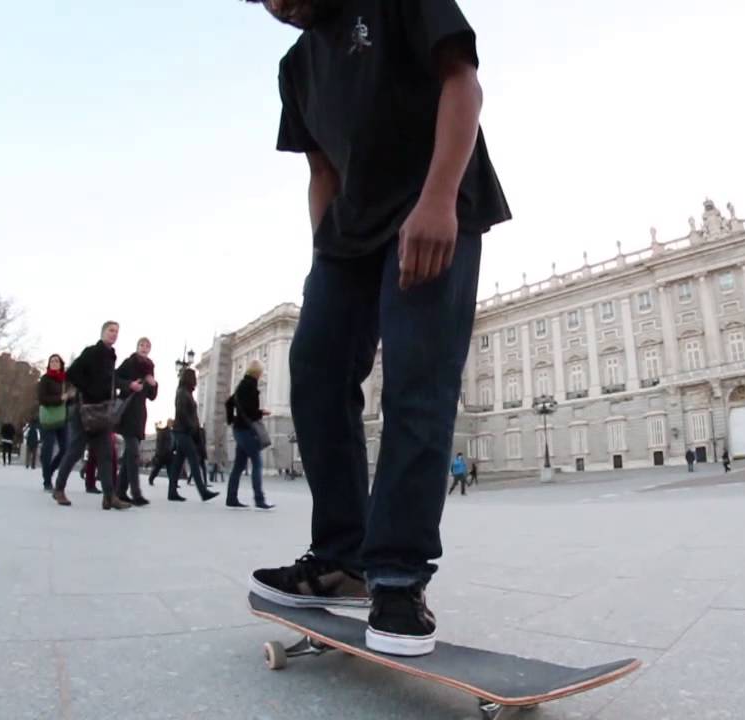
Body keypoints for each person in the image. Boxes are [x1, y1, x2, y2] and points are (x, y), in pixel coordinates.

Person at [242, 0, 511, 658]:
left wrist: (441, 198)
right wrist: (323, 265)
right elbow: (322, 172)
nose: (277, 6)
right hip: (349, 238)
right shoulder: (296, 66)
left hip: (431, 204)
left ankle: (396, 575)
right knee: (315, 370)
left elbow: (462, 82)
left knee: (418, 378)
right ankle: (341, 557)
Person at [51, 321, 142, 510]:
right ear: (102, 333)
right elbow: (72, 373)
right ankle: (59, 488)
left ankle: (110, 496)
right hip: (84, 410)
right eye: (110, 330)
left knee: (106, 453)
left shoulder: (111, 356)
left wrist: (125, 387)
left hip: (101, 412)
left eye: (116, 332)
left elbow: (110, 380)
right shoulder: (92, 352)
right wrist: (88, 391)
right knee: (75, 450)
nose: (114, 334)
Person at [115, 337, 158, 506]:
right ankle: (136, 492)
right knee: (133, 452)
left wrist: (154, 384)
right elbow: (115, 379)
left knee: (129, 455)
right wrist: (129, 384)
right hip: (127, 410)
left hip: (140, 412)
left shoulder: (150, 367)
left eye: (147, 346)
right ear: (137, 347)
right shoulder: (129, 362)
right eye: (142, 345)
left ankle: (119, 491)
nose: (144, 348)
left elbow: (152, 396)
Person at [225, 361, 274, 509]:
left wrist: (231, 420)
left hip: (239, 428)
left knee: (239, 465)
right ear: (257, 373)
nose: (261, 374)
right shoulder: (251, 388)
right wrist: (262, 412)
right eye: (261, 372)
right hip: (246, 430)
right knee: (257, 463)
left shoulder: (241, 386)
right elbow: (252, 412)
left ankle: (231, 498)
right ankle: (259, 499)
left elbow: (229, 403)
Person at [167, 368, 219, 503]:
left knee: (178, 462)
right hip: (183, 432)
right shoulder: (183, 393)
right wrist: (192, 427)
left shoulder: (185, 392)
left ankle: (172, 492)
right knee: (194, 460)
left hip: (183, 431)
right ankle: (203, 492)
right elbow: (182, 413)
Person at [37, 354, 70, 492]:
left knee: (65, 448)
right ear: (49, 364)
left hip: (62, 418)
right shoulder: (45, 379)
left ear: (61, 364)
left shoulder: (65, 381)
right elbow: (42, 399)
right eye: (52, 361)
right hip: (48, 419)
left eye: (56, 361)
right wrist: (60, 398)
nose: (54, 363)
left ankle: (49, 471)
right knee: (48, 449)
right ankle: (47, 481)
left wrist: (70, 397)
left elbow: (68, 399)